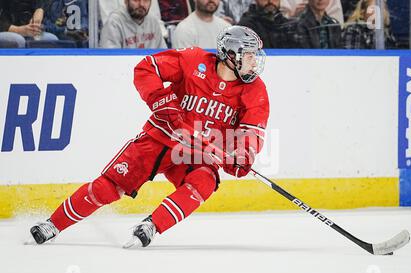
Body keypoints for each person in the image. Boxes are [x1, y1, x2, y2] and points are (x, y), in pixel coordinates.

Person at [27, 25, 270, 249]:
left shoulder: (255, 90)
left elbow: (252, 131)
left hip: (197, 153)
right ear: (230, 54)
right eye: (249, 55)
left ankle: (151, 226)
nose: (254, 62)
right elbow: (147, 67)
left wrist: (242, 154)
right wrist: (160, 100)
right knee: (109, 187)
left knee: (205, 180)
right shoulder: (193, 60)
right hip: (160, 137)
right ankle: (53, 224)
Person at [100, 0, 167, 48]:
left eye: (146, 0)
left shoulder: (153, 22)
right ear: (126, 1)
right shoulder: (114, 23)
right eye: (136, 0)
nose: (141, 4)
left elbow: (164, 56)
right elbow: (111, 60)